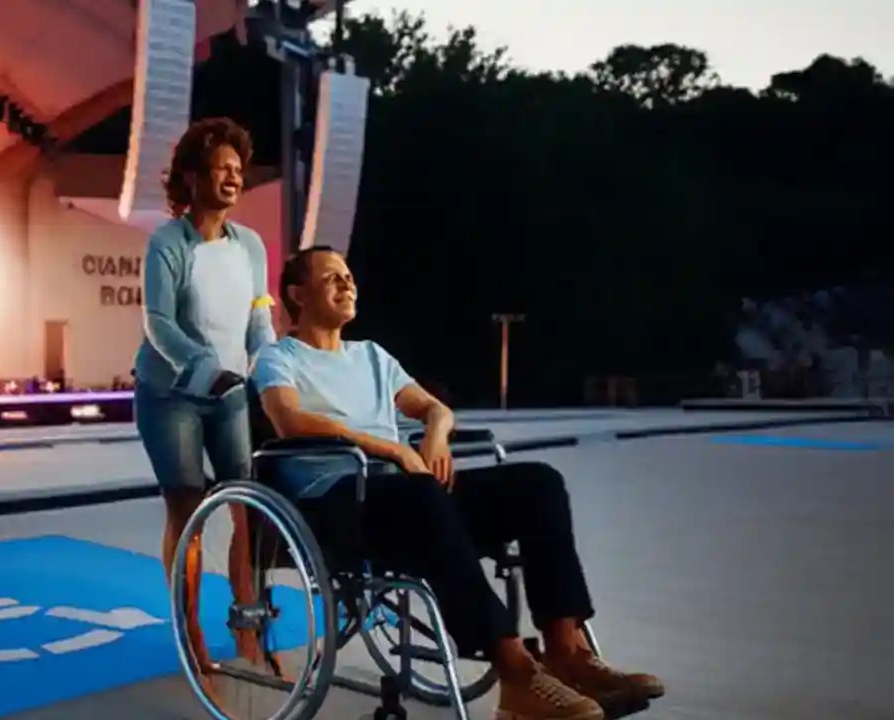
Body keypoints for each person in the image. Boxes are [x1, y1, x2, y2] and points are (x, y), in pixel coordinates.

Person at [251, 247, 665, 720]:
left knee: (538, 485)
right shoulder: (279, 357)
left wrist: (435, 436)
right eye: (332, 279)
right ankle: (516, 673)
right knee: (420, 493)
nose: (347, 285)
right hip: (339, 502)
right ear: (297, 295)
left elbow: (434, 408)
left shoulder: (371, 356)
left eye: (348, 277)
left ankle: (566, 652)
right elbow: (288, 419)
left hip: (409, 495)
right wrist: (388, 448)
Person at [133, 117, 277, 668]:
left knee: (248, 504)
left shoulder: (252, 247)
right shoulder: (168, 243)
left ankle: (245, 628)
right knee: (188, 508)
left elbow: (258, 318)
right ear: (191, 178)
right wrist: (202, 365)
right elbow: (158, 323)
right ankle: (189, 631)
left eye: (238, 170)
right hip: (171, 394)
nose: (232, 178)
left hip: (231, 393)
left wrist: (271, 364)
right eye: (220, 168)